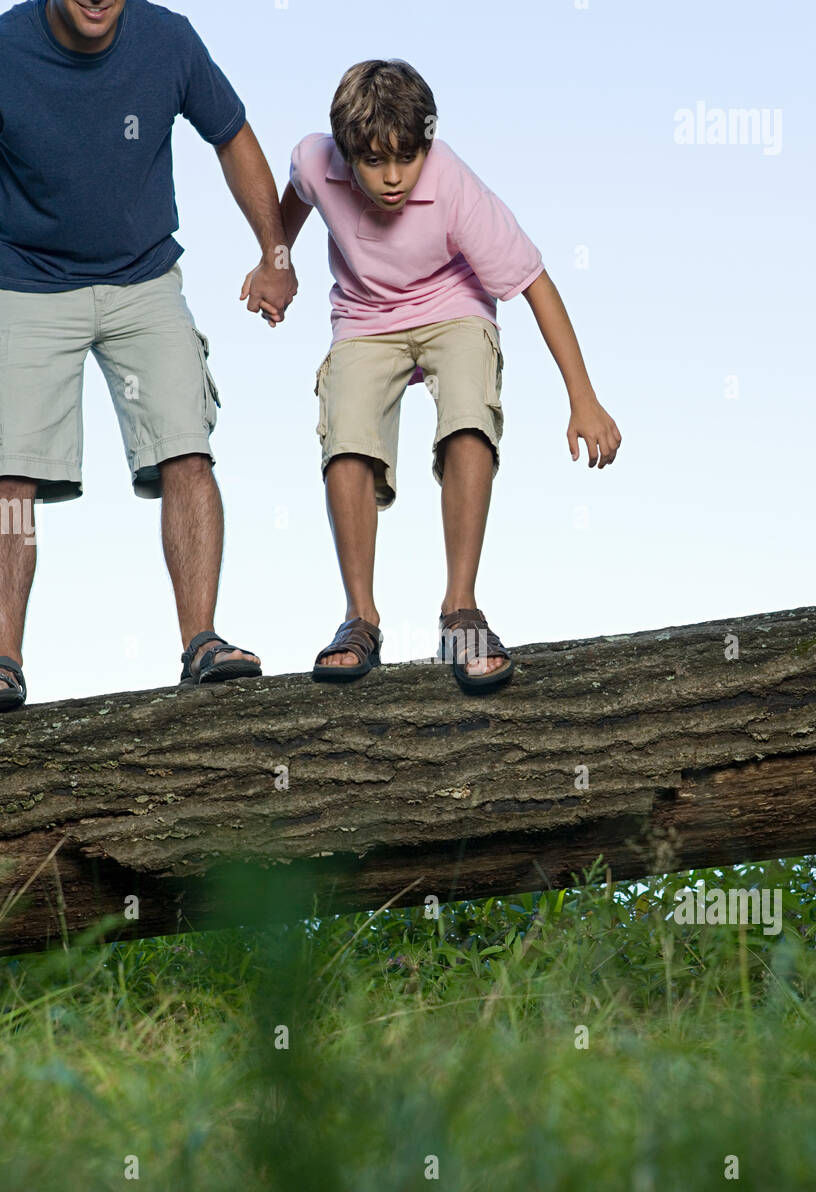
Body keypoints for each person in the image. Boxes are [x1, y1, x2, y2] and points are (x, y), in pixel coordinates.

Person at [281, 59, 621, 691]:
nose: (391, 179)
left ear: (426, 145)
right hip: (365, 316)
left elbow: (534, 284)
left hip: (453, 307)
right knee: (346, 433)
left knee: (467, 415)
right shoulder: (314, 158)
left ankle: (460, 610)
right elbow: (298, 197)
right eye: (373, 162)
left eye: (405, 160)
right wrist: (277, 259)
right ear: (346, 151)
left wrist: (583, 397)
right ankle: (360, 617)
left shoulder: (455, 187)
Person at [0, 0, 296, 711]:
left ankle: (202, 642)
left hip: (143, 278)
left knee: (186, 450)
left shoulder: (167, 39)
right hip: (27, 282)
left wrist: (275, 252)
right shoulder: (6, 48)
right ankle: (4, 660)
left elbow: (232, 135)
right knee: (10, 477)